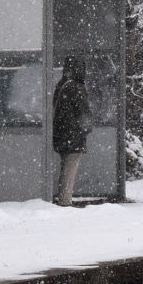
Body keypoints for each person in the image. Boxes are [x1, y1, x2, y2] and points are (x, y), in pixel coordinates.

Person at [52, 58, 90, 206]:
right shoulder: (76, 87)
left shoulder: (61, 85)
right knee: (70, 168)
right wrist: (86, 129)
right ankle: (65, 200)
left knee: (65, 167)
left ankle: (63, 197)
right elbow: (84, 113)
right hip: (73, 135)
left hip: (61, 133)